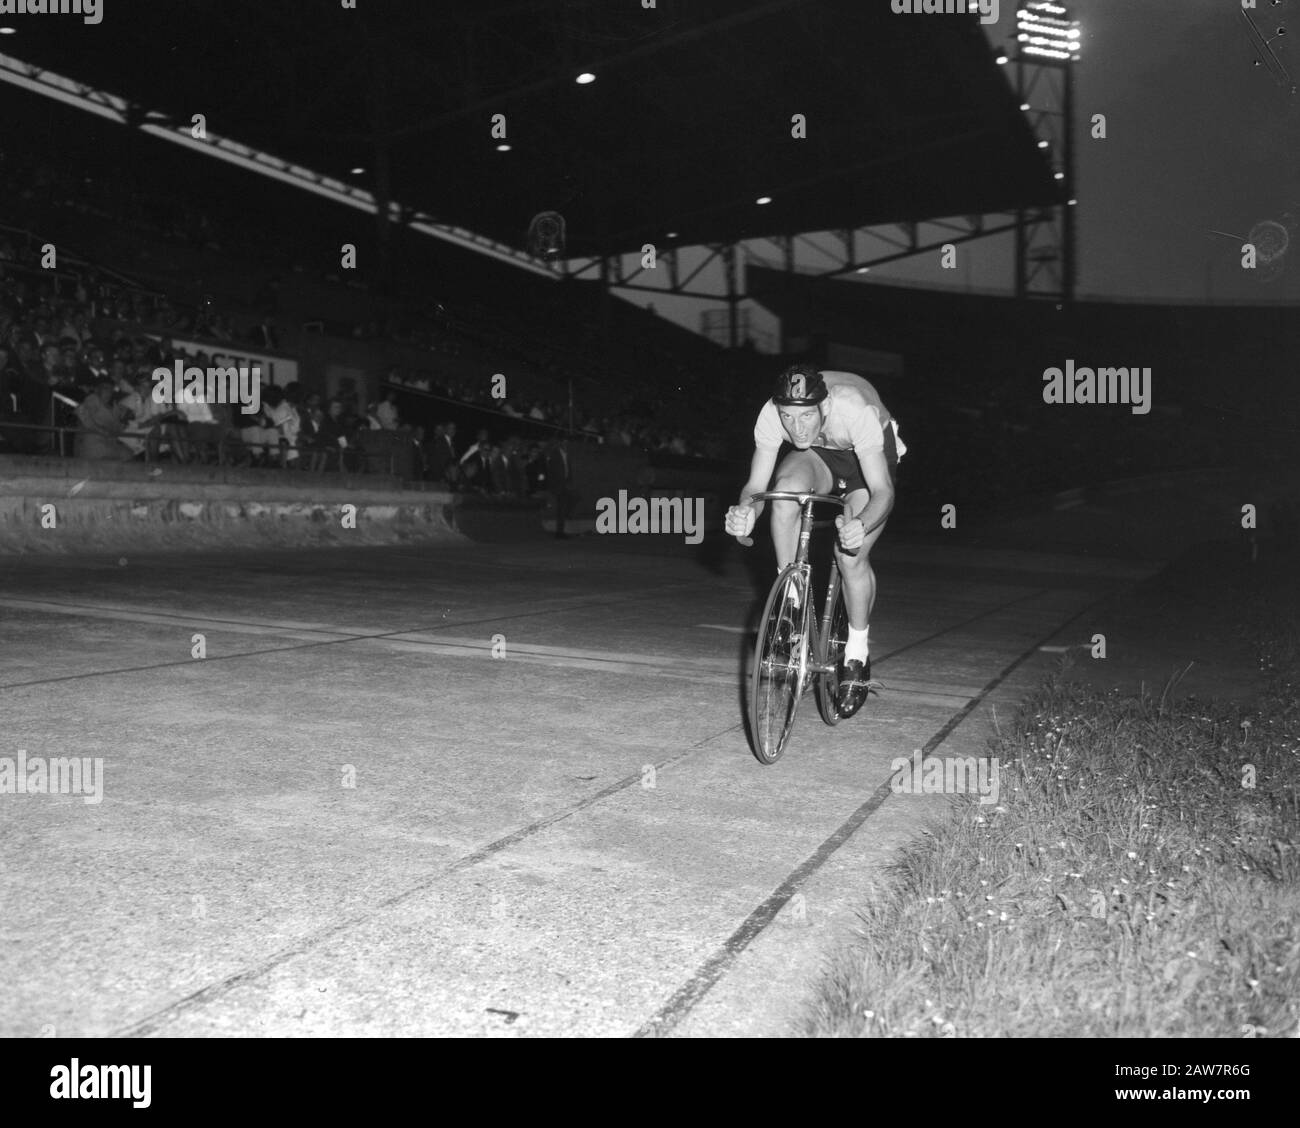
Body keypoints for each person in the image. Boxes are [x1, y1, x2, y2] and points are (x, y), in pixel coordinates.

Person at [725, 365, 905, 718]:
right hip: (819, 457)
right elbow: (756, 486)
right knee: (782, 493)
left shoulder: (854, 409)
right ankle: (791, 602)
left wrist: (862, 524)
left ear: (824, 407)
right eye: (789, 418)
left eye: (806, 415)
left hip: (865, 463)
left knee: (849, 554)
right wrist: (747, 511)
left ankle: (857, 655)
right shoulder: (770, 414)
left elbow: (883, 492)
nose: (797, 427)